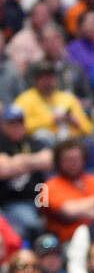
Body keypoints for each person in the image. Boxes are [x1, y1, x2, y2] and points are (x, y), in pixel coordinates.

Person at [39, 139, 94, 244]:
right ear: (58, 162)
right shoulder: (48, 187)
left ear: (84, 159)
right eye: (68, 160)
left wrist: (78, 209)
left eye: (76, 159)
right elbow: (68, 212)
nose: (73, 164)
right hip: (68, 240)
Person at [0, 103, 51, 240]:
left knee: (55, 216)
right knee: (31, 223)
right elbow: (3, 170)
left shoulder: (32, 141)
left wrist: (16, 162)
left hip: (40, 197)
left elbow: (49, 160)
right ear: (3, 124)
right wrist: (34, 162)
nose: (16, 127)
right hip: (12, 201)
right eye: (12, 123)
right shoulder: (2, 143)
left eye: (19, 123)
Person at [15, 58, 93, 145]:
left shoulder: (68, 98)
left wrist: (74, 121)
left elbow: (89, 129)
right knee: (42, 134)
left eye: (50, 77)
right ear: (36, 80)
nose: (48, 81)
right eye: (43, 78)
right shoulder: (25, 99)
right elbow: (19, 128)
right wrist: (51, 120)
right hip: (44, 146)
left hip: (72, 143)